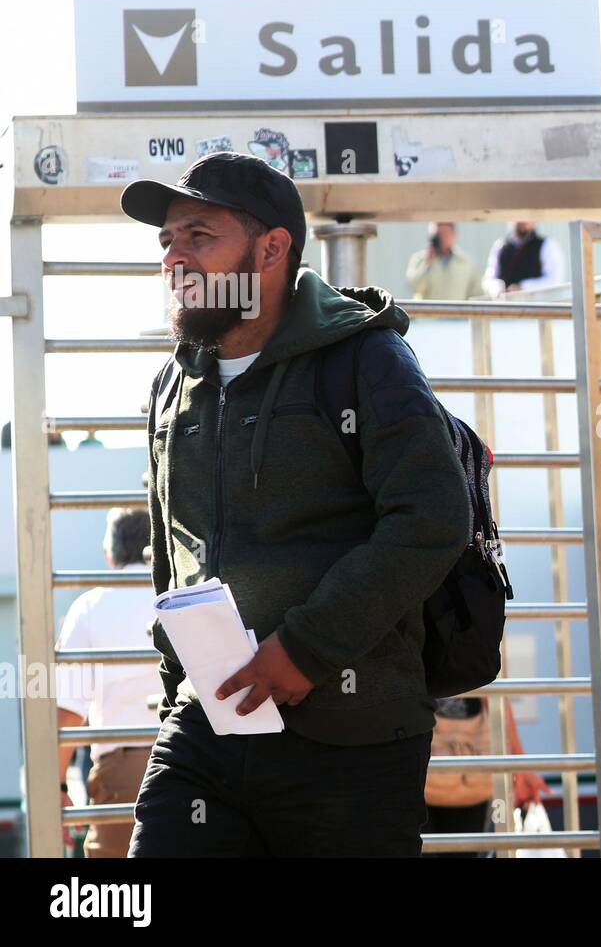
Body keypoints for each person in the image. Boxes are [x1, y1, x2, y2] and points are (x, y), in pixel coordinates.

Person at [119, 151, 471, 857]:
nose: (173, 259)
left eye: (198, 235)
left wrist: (306, 650)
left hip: (353, 736)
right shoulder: (169, 387)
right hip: (205, 729)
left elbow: (433, 519)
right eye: (167, 240)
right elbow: (173, 559)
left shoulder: (365, 359)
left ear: (273, 247)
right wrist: (176, 691)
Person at [54, 508, 162, 858]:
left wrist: (55, 787)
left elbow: (68, 712)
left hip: (122, 776)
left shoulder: (89, 606)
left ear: (109, 554)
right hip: (200, 759)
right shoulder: (181, 595)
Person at [422, 696, 549, 857]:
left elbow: (499, 700)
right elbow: (498, 698)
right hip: (469, 776)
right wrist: (520, 766)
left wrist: (520, 767)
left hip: (439, 774)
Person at [481, 221, 564, 297]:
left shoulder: (548, 245)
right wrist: (497, 288)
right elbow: (488, 279)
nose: (523, 220)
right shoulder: (500, 246)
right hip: (506, 308)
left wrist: (523, 287)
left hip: (537, 308)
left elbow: (554, 281)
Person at [405, 222, 484, 301]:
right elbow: (414, 287)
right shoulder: (419, 259)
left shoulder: (466, 262)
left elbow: (476, 293)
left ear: (454, 235)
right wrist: (427, 265)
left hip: (457, 312)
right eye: (437, 235)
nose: (441, 238)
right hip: (428, 312)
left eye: (444, 234)